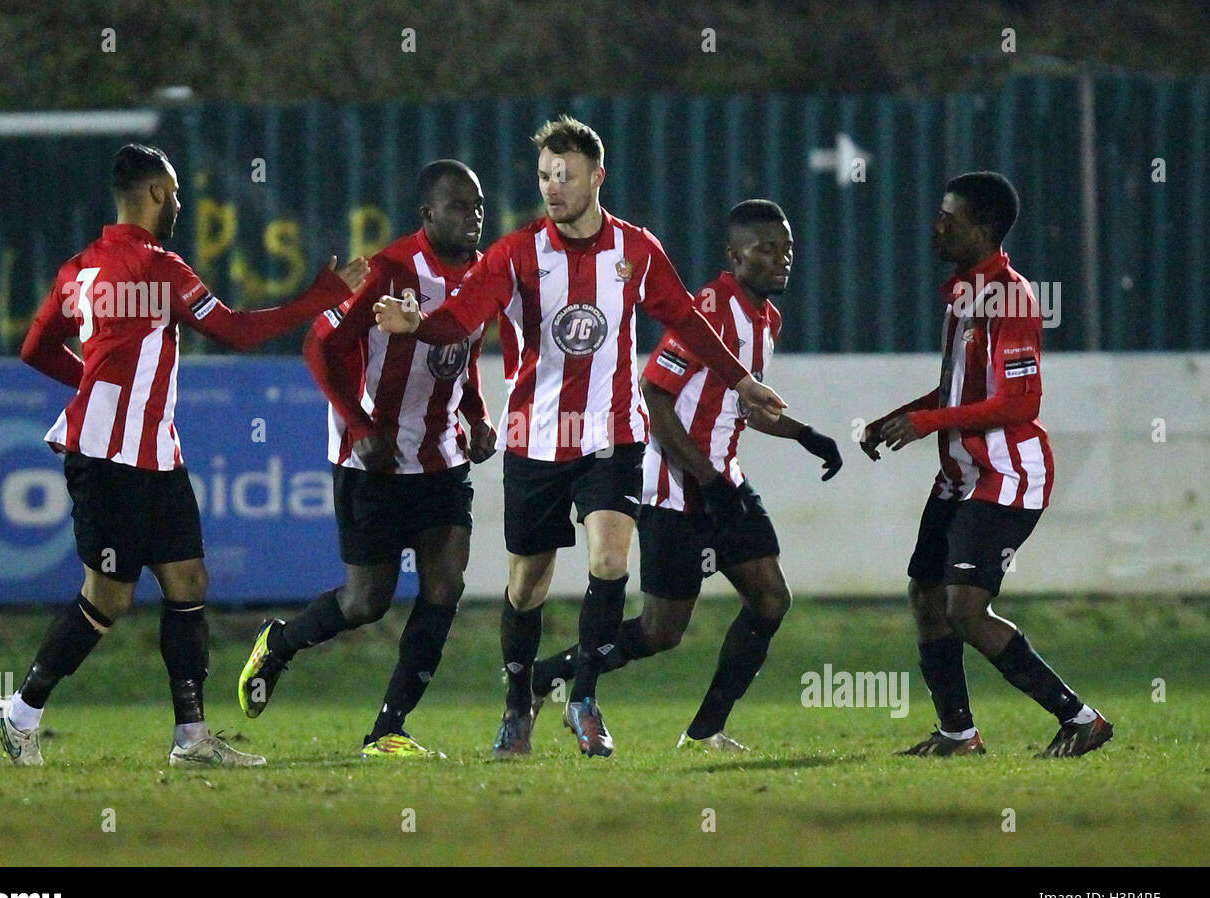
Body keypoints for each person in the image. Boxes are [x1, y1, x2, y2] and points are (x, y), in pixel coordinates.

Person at [374, 116, 788, 758]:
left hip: (612, 435)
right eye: (544, 176)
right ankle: (517, 704)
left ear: (597, 177)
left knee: (608, 561)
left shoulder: (636, 251)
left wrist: (740, 381)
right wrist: (417, 323)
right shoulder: (514, 254)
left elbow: (687, 317)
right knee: (527, 587)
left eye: (564, 176)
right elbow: (462, 318)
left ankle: (585, 698)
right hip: (535, 439)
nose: (552, 187)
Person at [0, 143, 366, 768]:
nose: (181, 204)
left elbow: (35, 347)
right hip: (109, 458)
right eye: (177, 193)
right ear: (159, 193)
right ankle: (20, 710)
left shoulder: (79, 271)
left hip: (156, 456)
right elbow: (239, 332)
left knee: (187, 582)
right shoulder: (159, 268)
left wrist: (95, 381)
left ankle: (191, 738)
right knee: (107, 597)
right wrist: (322, 296)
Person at [531, 200, 841, 750]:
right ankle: (545, 677)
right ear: (735, 254)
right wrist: (707, 479)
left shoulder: (766, 318)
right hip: (675, 487)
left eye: (787, 248)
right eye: (767, 248)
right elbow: (655, 395)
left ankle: (705, 732)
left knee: (770, 598)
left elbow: (738, 406)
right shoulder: (711, 306)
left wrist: (803, 434)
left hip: (723, 481)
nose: (782, 258)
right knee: (660, 632)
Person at [237, 160, 497, 757]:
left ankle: (389, 729)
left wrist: (476, 419)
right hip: (373, 462)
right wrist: (358, 425)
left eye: (479, 204)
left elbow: (459, 357)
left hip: (441, 460)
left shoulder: (484, 275)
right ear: (427, 214)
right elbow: (318, 346)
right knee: (365, 603)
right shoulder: (387, 270)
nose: (473, 216)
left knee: (445, 584)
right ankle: (279, 644)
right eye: (458, 206)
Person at [861, 170, 1112, 758]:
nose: (937, 224)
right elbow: (956, 391)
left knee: (966, 609)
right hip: (960, 478)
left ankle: (1081, 718)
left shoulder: (1011, 296)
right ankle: (958, 733)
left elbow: (1021, 402)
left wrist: (925, 425)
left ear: (984, 227)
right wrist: (899, 416)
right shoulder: (963, 293)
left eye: (950, 216)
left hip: (1007, 476)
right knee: (925, 593)